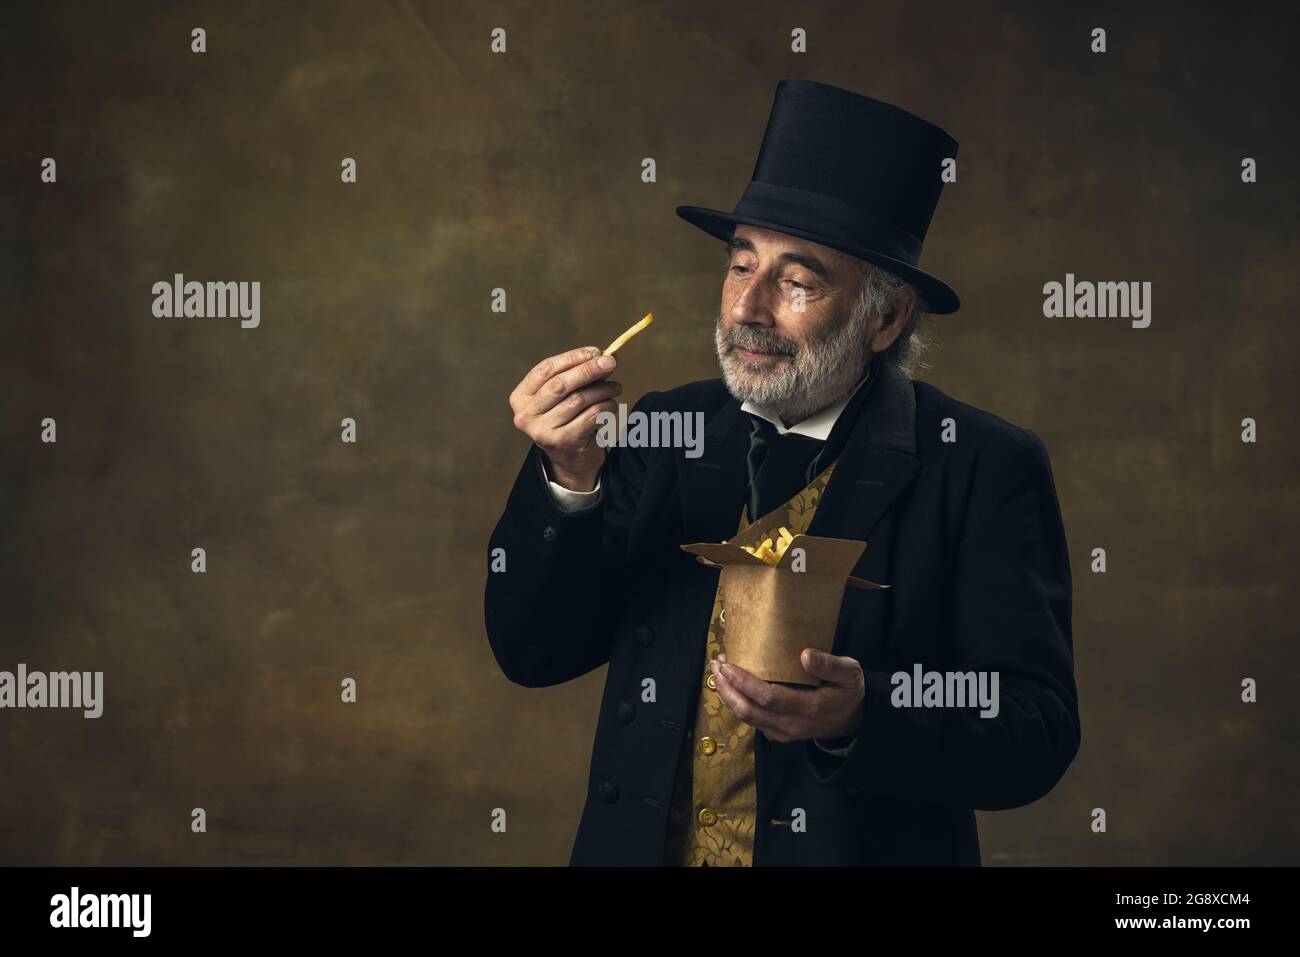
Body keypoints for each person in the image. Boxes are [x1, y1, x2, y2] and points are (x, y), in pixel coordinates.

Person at [484, 80, 1080, 865]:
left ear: (886, 317)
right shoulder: (667, 429)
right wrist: (569, 478)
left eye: (797, 281)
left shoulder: (982, 466)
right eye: (740, 265)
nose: (749, 308)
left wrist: (867, 713)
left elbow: (1035, 726)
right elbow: (534, 653)